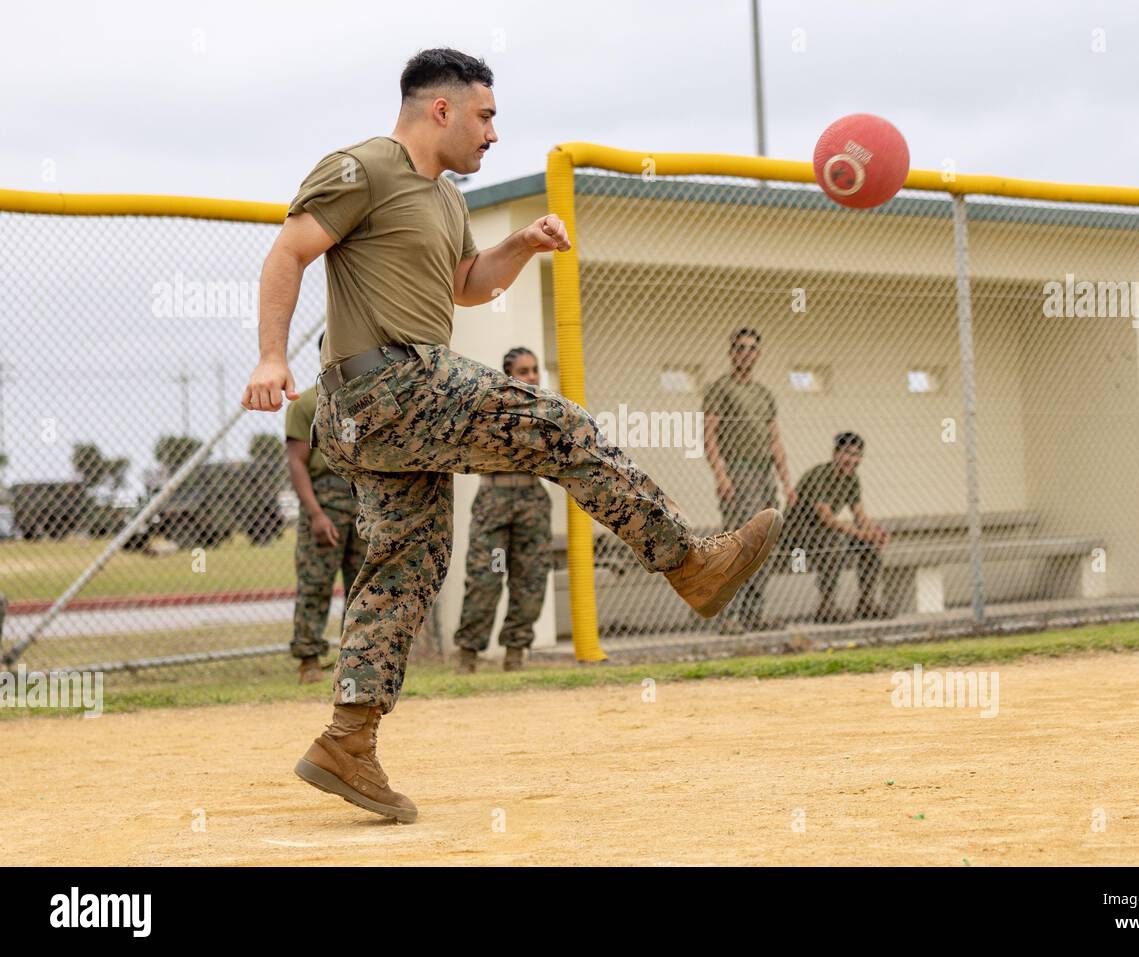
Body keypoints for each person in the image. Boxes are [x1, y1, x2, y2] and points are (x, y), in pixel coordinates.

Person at [241, 47, 781, 823]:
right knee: (560, 426)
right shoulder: (363, 167)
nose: (494, 132)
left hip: (394, 412)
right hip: (387, 383)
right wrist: (268, 355)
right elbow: (288, 251)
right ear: (441, 109)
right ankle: (689, 562)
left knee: (410, 560)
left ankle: (346, 738)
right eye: (486, 115)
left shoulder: (448, 199)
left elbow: (470, 286)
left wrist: (522, 244)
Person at [453, 347, 552, 674]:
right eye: (524, 371)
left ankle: (515, 652)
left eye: (534, 369)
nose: (532, 376)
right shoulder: (489, 408)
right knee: (485, 577)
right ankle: (468, 654)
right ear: (509, 375)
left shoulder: (545, 410)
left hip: (531, 501)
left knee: (530, 578)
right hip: (494, 501)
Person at [702, 327, 795, 632]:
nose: (746, 353)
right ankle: (730, 616)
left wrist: (786, 482)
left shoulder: (763, 393)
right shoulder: (720, 388)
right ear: (731, 352)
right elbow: (709, 436)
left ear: (758, 354)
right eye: (740, 348)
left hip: (763, 472)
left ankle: (754, 613)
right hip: (738, 471)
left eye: (752, 348)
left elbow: (775, 439)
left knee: (762, 544)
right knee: (739, 544)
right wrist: (721, 476)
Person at [284, 332, 364, 684]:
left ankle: (358, 660)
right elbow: (297, 463)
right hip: (325, 498)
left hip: (362, 496)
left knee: (363, 584)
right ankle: (309, 660)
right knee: (316, 581)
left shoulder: (366, 401)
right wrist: (316, 514)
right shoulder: (305, 404)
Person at [783, 432, 891, 623]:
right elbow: (827, 519)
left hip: (823, 534)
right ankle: (827, 607)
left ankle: (866, 603)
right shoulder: (820, 475)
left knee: (869, 545)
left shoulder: (852, 479)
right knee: (836, 541)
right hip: (796, 535)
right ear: (835, 453)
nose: (854, 460)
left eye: (858, 455)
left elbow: (860, 516)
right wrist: (862, 534)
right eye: (848, 454)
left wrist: (875, 533)